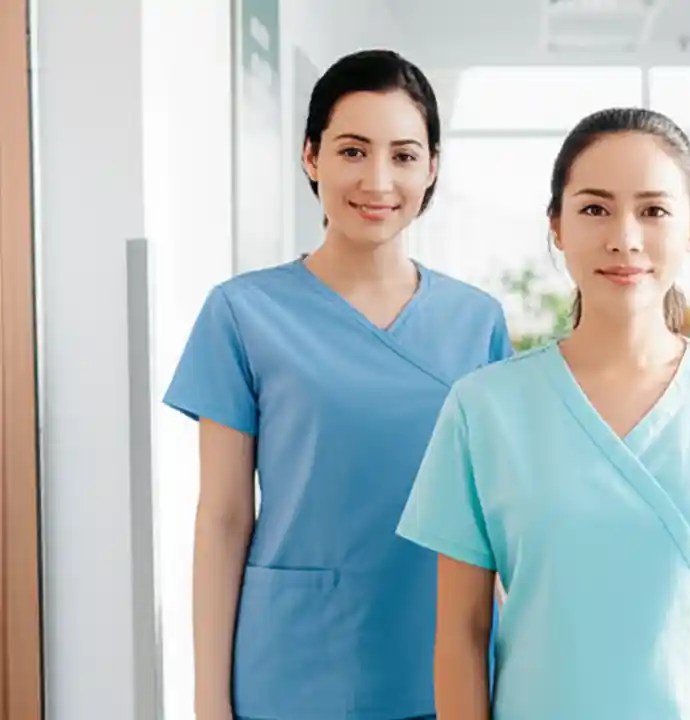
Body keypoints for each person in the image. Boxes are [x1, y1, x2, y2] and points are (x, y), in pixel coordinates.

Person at [395, 107, 690, 720]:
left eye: (653, 210)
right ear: (556, 225)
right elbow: (462, 633)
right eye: (595, 208)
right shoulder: (484, 409)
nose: (624, 238)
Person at [163, 49, 511, 720]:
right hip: (296, 669)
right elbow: (224, 519)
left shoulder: (477, 322)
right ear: (311, 156)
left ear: (432, 167)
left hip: (446, 667)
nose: (378, 180)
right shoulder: (243, 313)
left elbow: (494, 520)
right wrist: (210, 703)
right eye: (353, 151)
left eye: (405, 156)